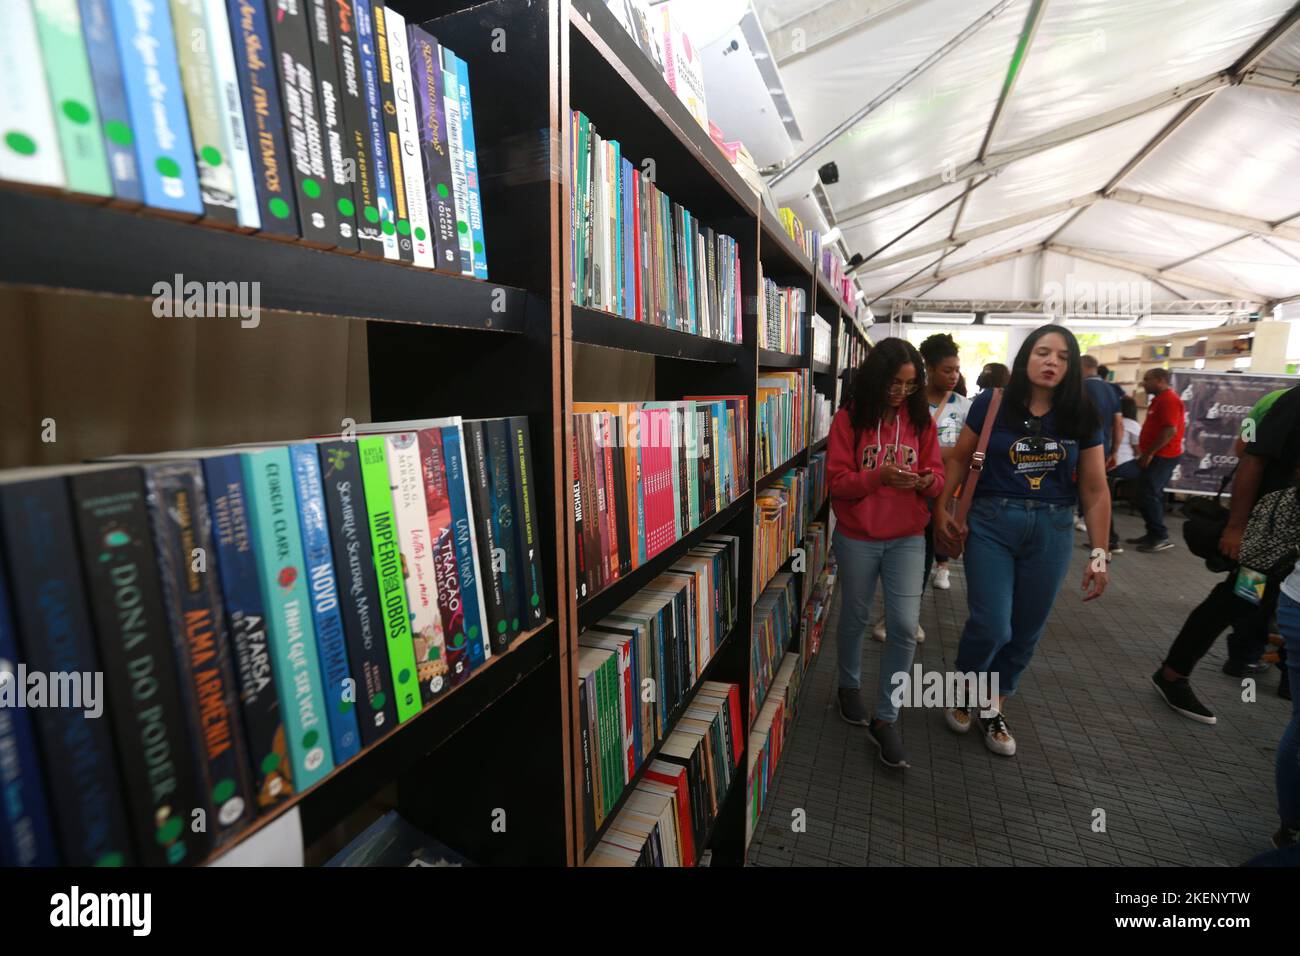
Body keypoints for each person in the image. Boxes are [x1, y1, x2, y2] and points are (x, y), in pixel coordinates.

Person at [934, 324, 1110, 756]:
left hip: (1052, 529)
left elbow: (1094, 488)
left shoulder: (1081, 414)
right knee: (992, 623)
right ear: (1026, 358)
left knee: (1026, 630)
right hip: (993, 522)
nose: (1052, 362)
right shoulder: (993, 404)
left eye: (1063, 357)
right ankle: (964, 685)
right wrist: (943, 505)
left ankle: (993, 706)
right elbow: (959, 459)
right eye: (1043, 352)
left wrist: (1101, 552)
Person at [828, 338, 945, 769]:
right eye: (894, 383)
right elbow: (838, 482)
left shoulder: (922, 421)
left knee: (903, 624)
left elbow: (936, 473)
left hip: (908, 535)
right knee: (856, 615)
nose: (901, 393)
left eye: (911, 385)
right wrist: (878, 477)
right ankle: (848, 686)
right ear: (877, 378)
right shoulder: (849, 419)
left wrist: (924, 483)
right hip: (858, 534)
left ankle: (886, 717)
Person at [1153, 385, 1300, 722]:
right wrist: (1237, 526)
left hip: (1285, 543)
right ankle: (1174, 674)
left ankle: (1275, 675)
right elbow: (1250, 456)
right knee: (1238, 598)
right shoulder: (1291, 402)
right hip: (1270, 539)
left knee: (1266, 604)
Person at [1108, 368, 1184, 552]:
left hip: (1164, 456)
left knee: (1148, 493)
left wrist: (1149, 453)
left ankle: (1160, 536)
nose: (1143, 383)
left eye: (1147, 379)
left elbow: (1169, 431)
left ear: (1159, 380)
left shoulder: (1168, 400)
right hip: (1156, 454)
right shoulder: (1159, 400)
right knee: (1145, 493)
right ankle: (1153, 533)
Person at [920, 333, 971, 592]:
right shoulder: (913, 403)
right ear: (929, 368)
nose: (954, 376)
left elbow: (969, 453)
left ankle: (943, 568)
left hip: (948, 488)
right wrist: (950, 452)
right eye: (947, 370)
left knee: (938, 538)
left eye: (957, 370)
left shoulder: (965, 407)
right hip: (917, 488)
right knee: (918, 549)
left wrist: (939, 453)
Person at [1080, 355, 1123, 554]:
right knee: (1098, 489)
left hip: (1082, 447)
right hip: (1102, 447)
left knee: (1091, 490)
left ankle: (1107, 541)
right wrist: (1114, 450)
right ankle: (1108, 541)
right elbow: (1119, 423)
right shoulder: (1111, 389)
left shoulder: (1081, 388)